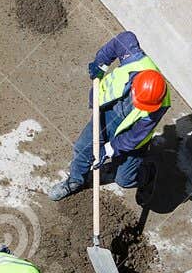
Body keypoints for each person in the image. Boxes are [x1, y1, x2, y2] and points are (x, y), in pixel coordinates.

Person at [47, 29, 170, 202]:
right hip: (108, 112)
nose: (139, 105)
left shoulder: (158, 106)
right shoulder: (134, 59)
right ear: (135, 85)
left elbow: (134, 137)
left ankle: (148, 172)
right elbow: (125, 37)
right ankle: (74, 181)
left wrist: (108, 149)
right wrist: (101, 64)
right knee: (83, 148)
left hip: (130, 133)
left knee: (124, 180)